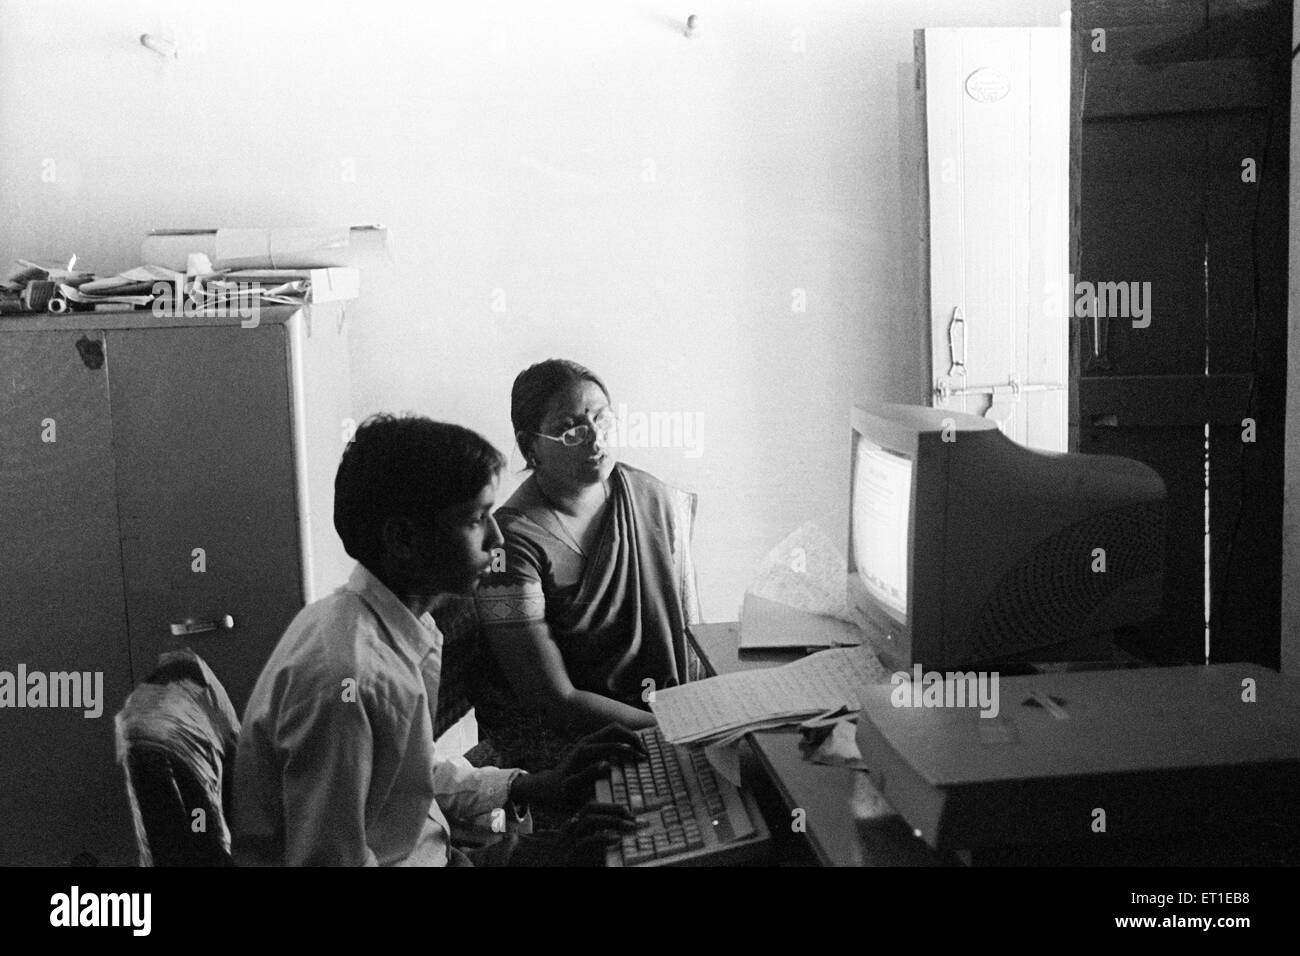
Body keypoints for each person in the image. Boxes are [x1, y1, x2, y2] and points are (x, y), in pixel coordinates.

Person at [232, 413, 643, 866]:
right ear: (404, 539)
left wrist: (527, 785)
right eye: (476, 519)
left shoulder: (380, 625)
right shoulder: (348, 681)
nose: (497, 537)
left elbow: (404, 781)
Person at [473, 360, 702, 771]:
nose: (595, 439)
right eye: (571, 429)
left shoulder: (650, 498)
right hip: (573, 746)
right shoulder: (511, 546)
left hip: (668, 715)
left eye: (602, 420)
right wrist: (674, 732)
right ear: (530, 446)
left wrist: (698, 720)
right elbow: (552, 698)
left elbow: (688, 631)